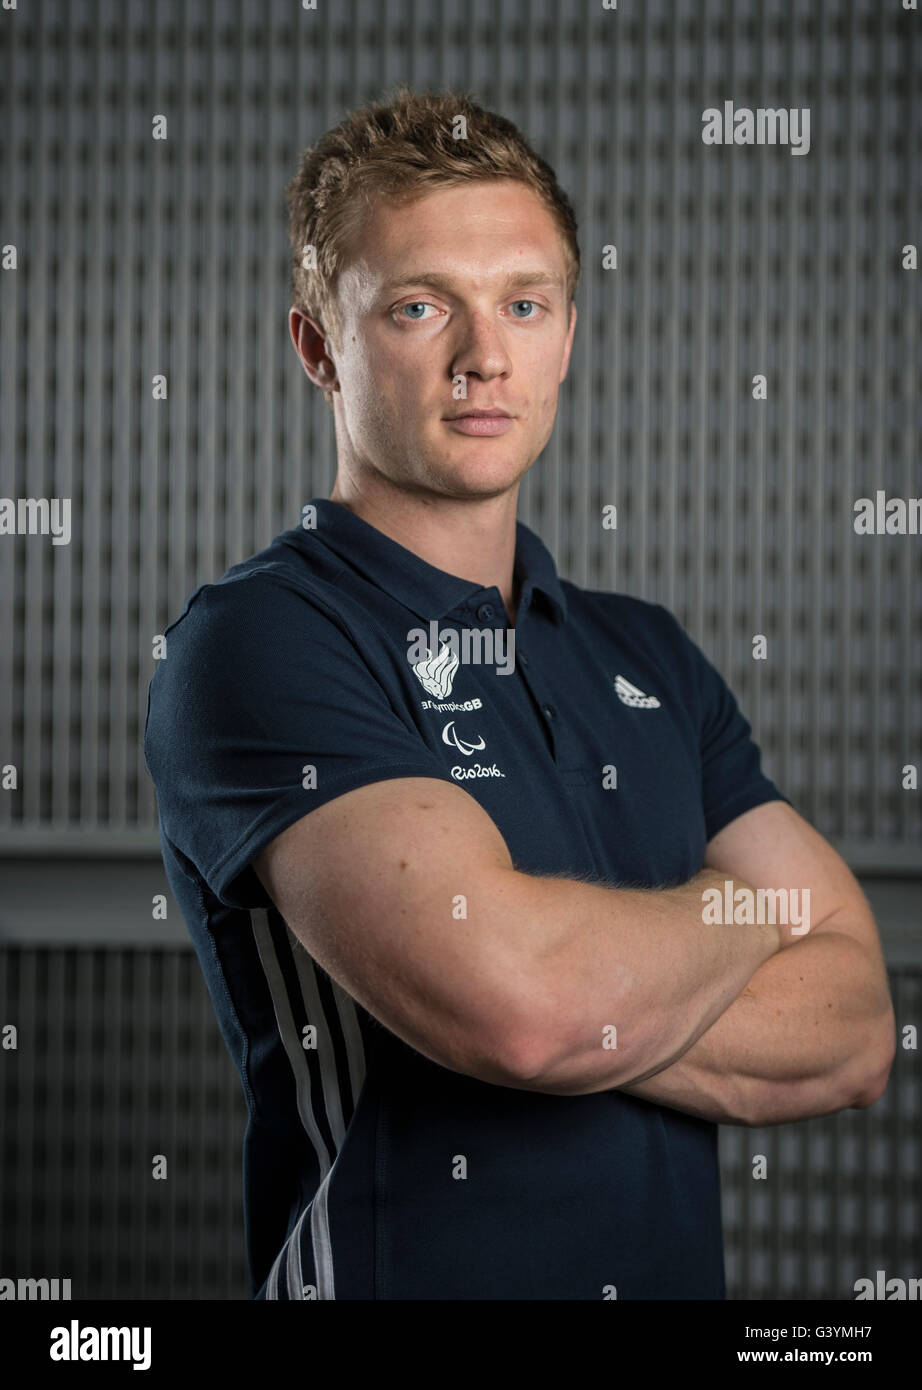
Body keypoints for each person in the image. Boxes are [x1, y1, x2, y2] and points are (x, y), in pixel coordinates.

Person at [144, 84, 895, 1301]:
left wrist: (581, 983)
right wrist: (748, 913)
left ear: (567, 333)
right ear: (317, 345)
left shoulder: (643, 652)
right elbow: (525, 1011)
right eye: (420, 305)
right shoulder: (262, 641)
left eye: (524, 303)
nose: (483, 355)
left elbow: (858, 1033)